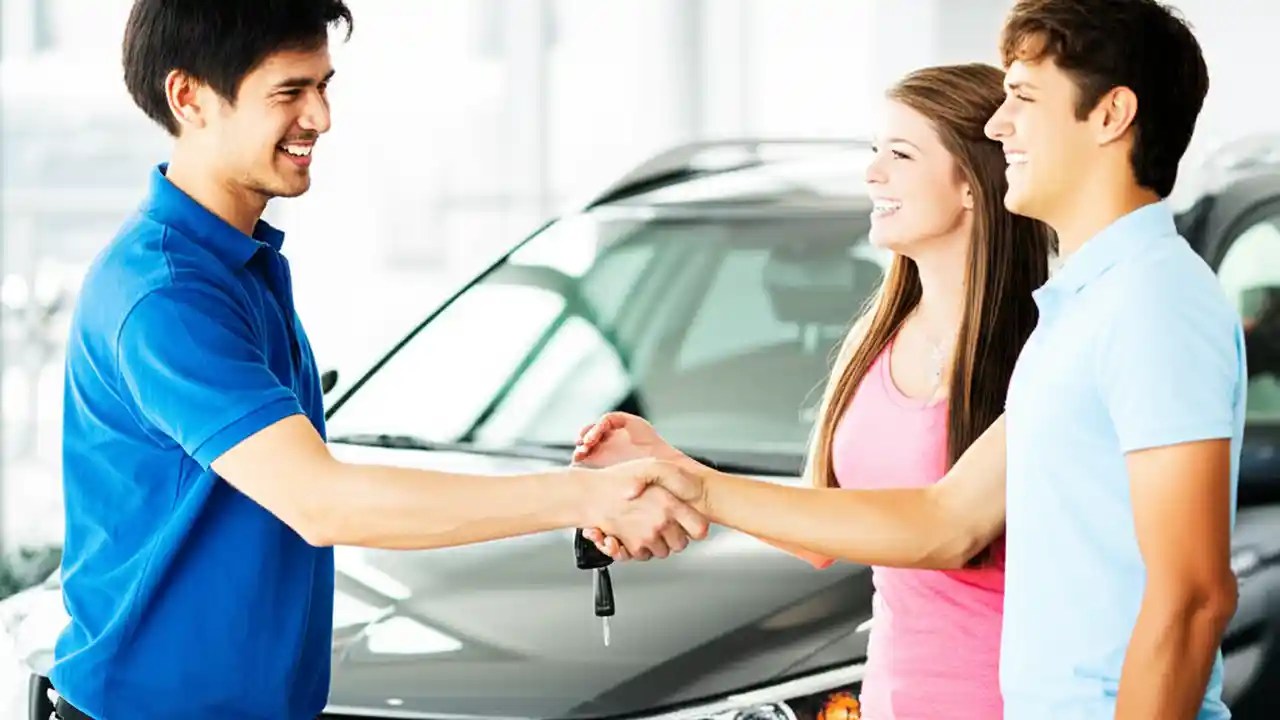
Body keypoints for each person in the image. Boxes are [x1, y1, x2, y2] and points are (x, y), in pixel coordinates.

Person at [576, 1, 1245, 718]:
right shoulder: (1084, 307)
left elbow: (1193, 595)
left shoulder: (1154, 304)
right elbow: (944, 520)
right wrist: (688, 481)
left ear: (1111, 115)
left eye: (1022, 98)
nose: (998, 125)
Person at [50, 2, 705, 719]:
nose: (321, 117)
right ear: (190, 97)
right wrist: (587, 497)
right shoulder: (167, 295)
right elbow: (321, 501)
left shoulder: (236, 266)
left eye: (324, 86)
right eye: (290, 92)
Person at [586, 61, 1053, 718]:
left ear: (973, 183)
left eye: (901, 153)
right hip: (894, 700)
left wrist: (698, 486)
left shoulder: (1043, 347)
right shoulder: (878, 334)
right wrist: (672, 468)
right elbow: (818, 528)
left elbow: (944, 531)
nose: (873, 173)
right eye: (874, 151)